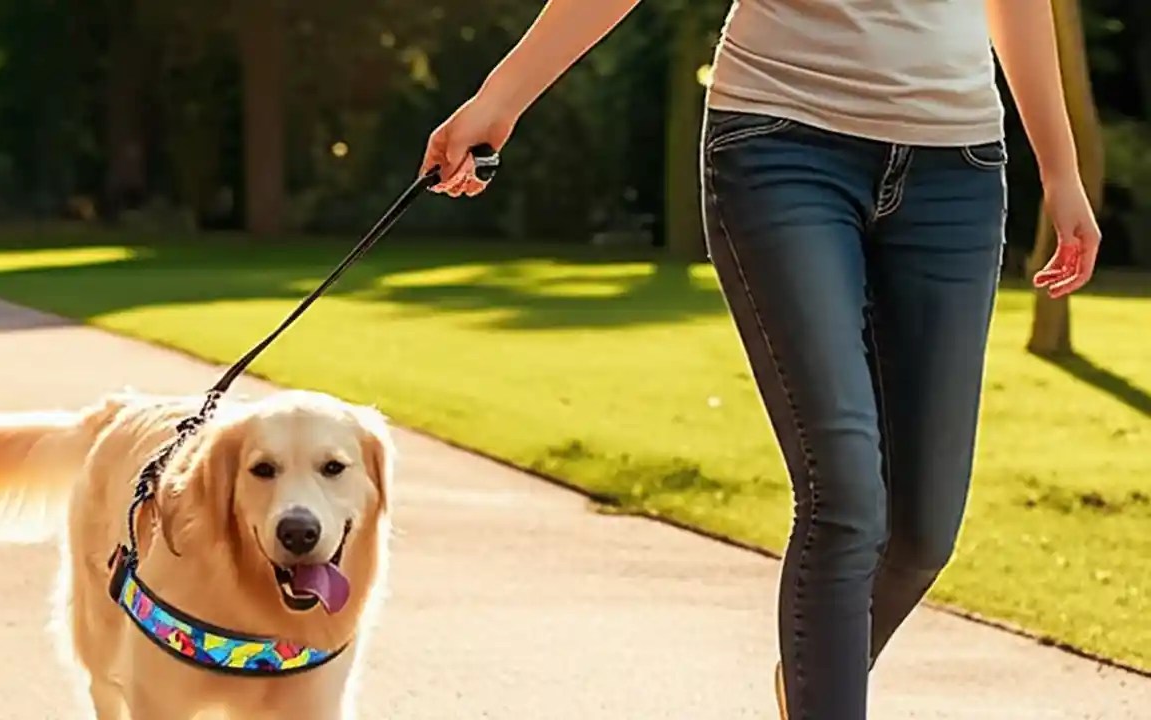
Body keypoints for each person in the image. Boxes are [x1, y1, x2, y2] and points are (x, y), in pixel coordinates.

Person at [419, 1, 1101, 717]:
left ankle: (811, 678)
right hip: (783, 141)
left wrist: (1060, 169)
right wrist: (500, 98)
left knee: (923, 532)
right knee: (844, 499)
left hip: (956, 167)